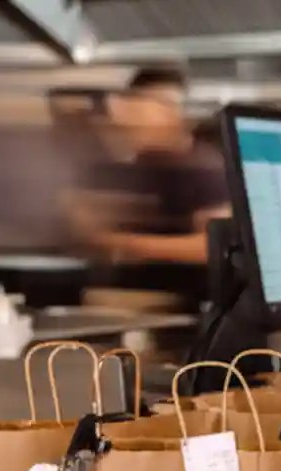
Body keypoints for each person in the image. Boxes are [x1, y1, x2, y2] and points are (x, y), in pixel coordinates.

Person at [68, 66, 229, 309]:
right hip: (121, 295)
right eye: (135, 110)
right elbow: (86, 228)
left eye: (150, 110)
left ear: (176, 114)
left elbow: (211, 247)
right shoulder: (133, 166)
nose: (138, 121)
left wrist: (122, 243)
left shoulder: (204, 168)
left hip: (180, 304)